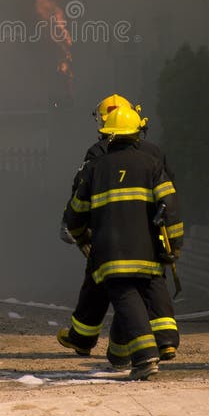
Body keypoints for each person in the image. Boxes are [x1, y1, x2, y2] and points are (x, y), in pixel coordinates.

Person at [62, 103, 183, 380]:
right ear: (136, 133)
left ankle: (145, 357)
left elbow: (76, 213)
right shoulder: (153, 164)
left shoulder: (95, 168)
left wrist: (81, 237)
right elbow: (171, 206)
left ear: (109, 135)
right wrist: (174, 244)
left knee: (126, 298)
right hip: (149, 250)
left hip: (111, 251)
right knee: (152, 291)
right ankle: (163, 341)